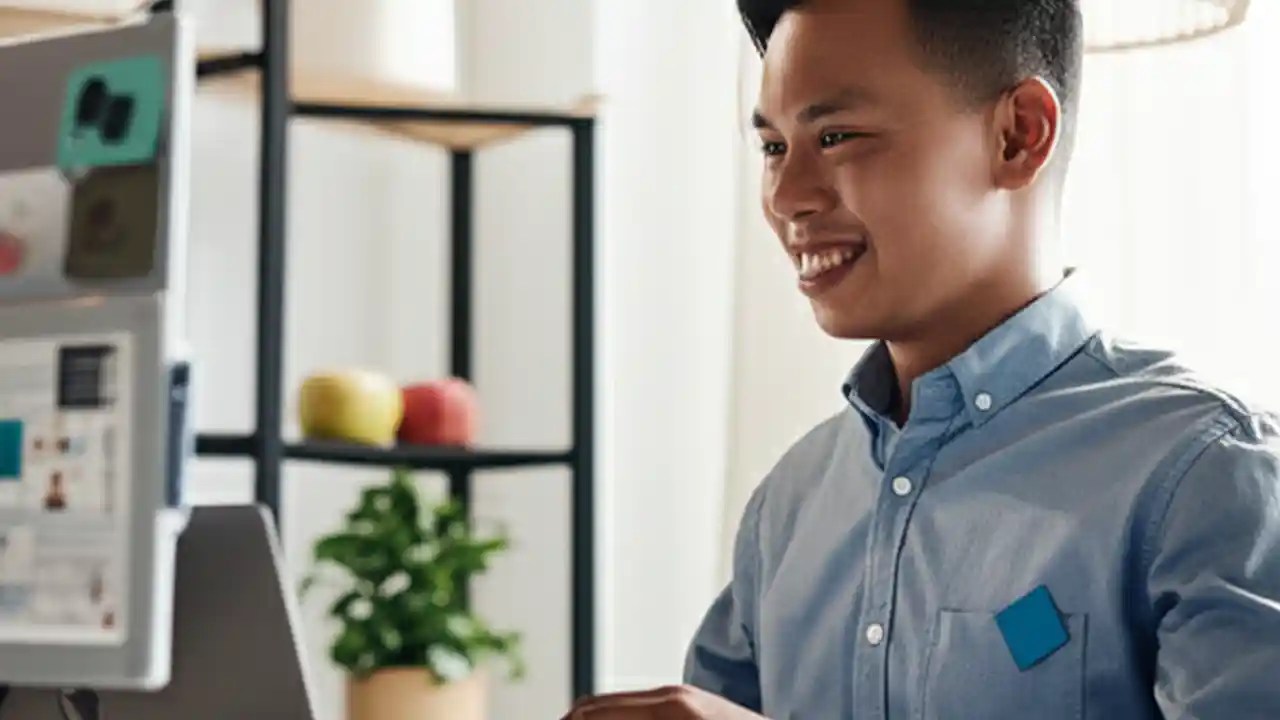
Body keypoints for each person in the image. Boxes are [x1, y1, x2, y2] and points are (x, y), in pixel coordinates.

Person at [563, 0, 1280, 718]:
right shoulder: (788, 508)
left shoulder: (1209, 474)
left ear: (1017, 136)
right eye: (774, 148)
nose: (786, 198)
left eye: (837, 136)